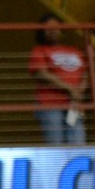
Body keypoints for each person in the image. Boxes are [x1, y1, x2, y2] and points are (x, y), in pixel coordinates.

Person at [28, 15, 87, 145]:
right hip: (50, 105)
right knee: (55, 144)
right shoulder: (39, 50)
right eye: (49, 28)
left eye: (56, 27)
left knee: (78, 143)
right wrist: (70, 89)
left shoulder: (75, 51)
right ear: (42, 32)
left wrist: (78, 92)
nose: (53, 30)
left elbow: (84, 74)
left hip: (74, 105)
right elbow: (42, 74)